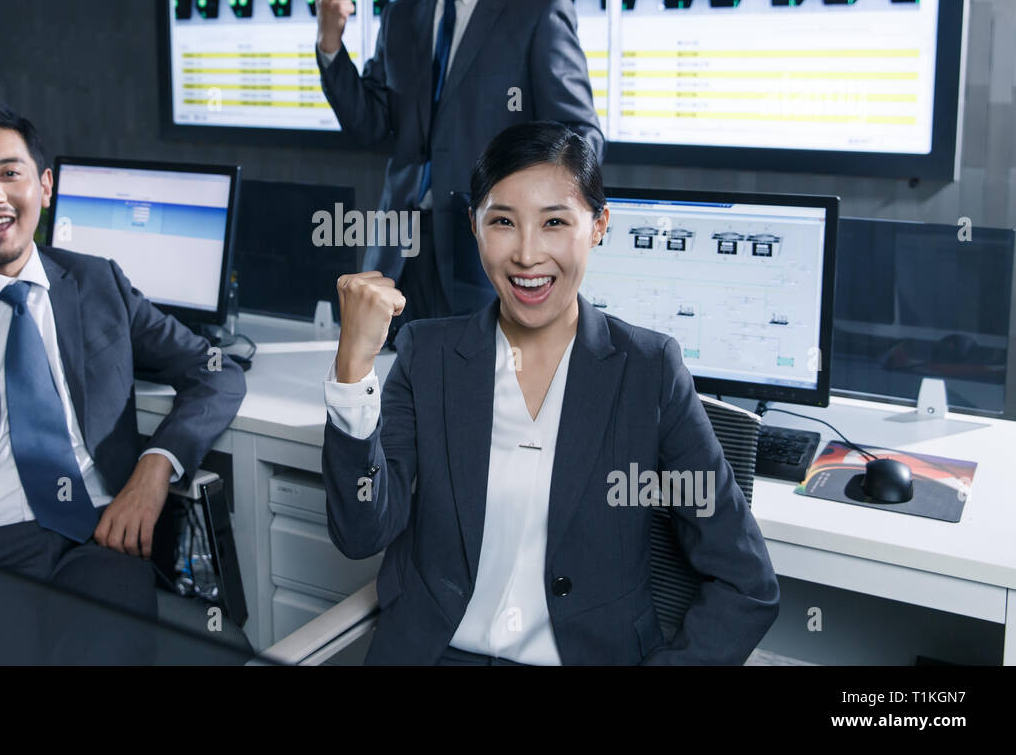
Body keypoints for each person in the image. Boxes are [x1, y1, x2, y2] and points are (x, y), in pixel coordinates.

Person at [321, 121, 779, 665]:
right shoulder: (430, 354)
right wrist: (353, 368)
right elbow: (361, 531)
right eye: (504, 223)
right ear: (474, 226)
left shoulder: (649, 371)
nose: (528, 255)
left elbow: (746, 582)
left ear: (599, 225)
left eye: (556, 222)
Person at [0, 96, 246, 661]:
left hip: (100, 539)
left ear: (45, 186)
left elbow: (218, 372)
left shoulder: (98, 282)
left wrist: (153, 470)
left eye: (10, 173)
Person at [316, 0, 604, 323]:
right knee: (391, 393)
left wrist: (529, 225)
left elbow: (582, 140)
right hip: (397, 257)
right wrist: (330, 46)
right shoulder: (403, 16)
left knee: (477, 393)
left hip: (486, 255)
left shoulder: (538, 13)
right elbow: (371, 126)